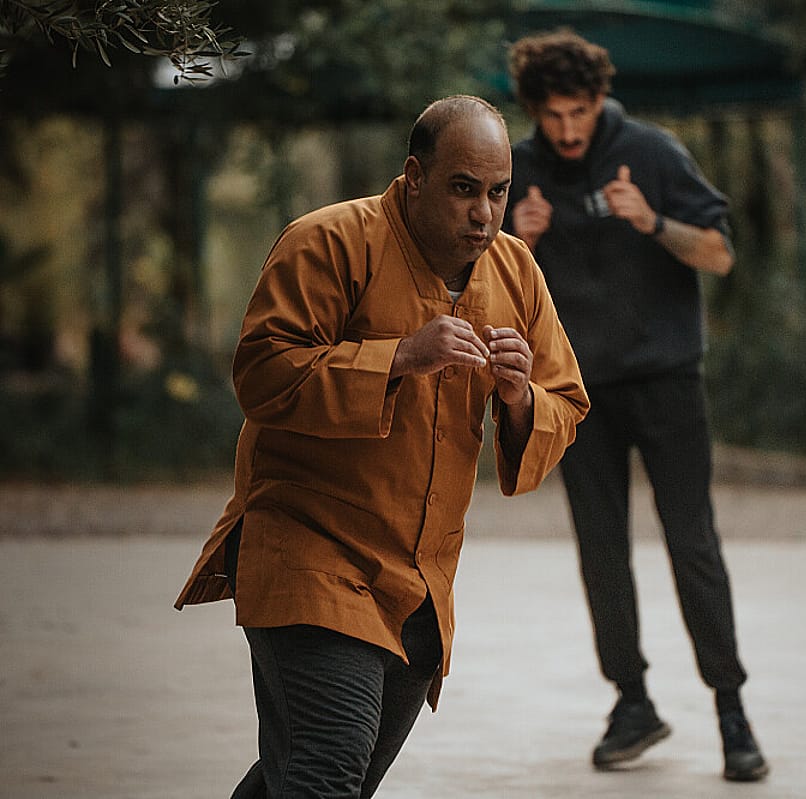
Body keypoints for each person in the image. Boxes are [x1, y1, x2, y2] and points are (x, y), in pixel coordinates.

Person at [173, 95, 589, 798]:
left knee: (323, 774)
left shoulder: (515, 272)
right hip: (307, 548)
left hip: (417, 582)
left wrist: (520, 397)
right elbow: (262, 373)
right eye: (464, 189)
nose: (483, 213)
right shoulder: (330, 241)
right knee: (330, 764)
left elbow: (566, 401)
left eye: (497, 192)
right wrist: (396, 357)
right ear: (415, 176)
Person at [503, 29, 768, 782]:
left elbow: (719, 251)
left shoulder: (653, 152)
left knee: (693, 544)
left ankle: (732, 709)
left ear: (599, 101)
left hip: (666, 379)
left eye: (579, 111)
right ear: (534, 111)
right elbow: (468, 274)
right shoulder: (518, 170)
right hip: (575, 391)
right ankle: (633, 700)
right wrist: (510, 241)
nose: (567, 129)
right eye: (552, 115)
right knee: (601, 549)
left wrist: (653, 221)